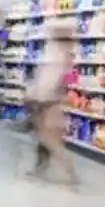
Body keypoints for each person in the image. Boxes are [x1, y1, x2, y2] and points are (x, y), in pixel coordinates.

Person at [27, 20, 78, 186]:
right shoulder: (64, 53)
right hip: (50, 102)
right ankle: (40, 168)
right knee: (45, 138)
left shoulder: (57, 54)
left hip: (48, 104)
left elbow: (49, 81)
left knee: (51, 140)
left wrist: (38, 98)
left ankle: (70, 173)